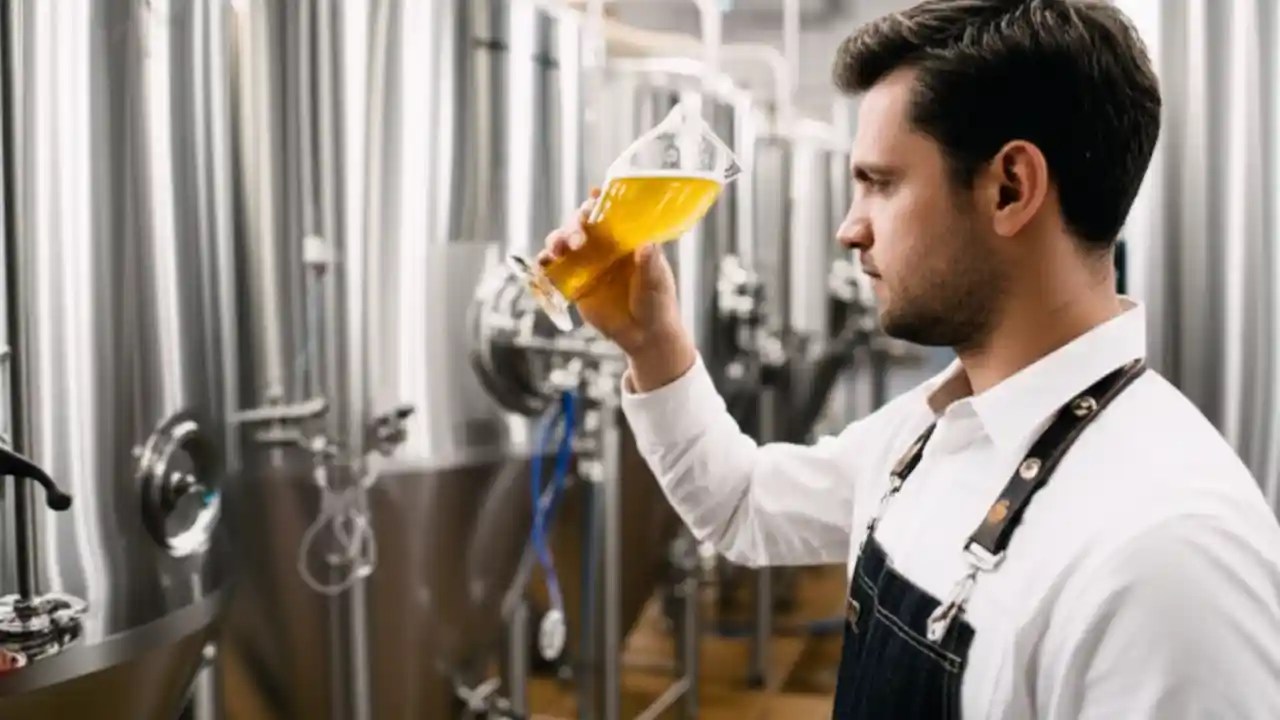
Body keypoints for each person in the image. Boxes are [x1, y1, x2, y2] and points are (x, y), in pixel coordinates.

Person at [538, 0, 1280, 718]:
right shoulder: (933, 429)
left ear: (1010, 188)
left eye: (880, 184)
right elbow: (743, 508)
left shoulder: (1168, 555)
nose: (848, 230)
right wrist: (651, 340)